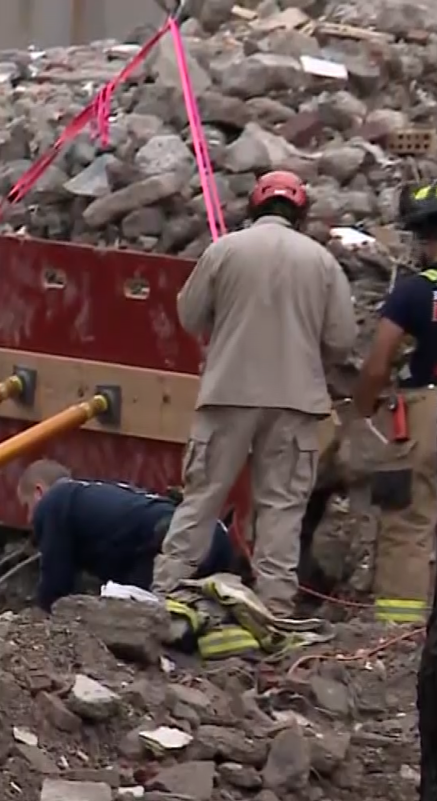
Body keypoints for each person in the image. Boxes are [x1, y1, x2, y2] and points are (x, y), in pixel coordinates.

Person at [154, 170, 357, 616]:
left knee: (204, 495)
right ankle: (276, 607)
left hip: (229, 391)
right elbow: (342, 340)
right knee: (282, 506)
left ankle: (168, 591)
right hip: (296, 399)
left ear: (254, 207)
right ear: (301, 213)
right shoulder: (322, 262)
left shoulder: (225, 250)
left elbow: (189, 316)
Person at [348, 179, 437, 625]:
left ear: (425, 236)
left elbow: (379, 363)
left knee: (408, 519)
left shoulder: (415, 291)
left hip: (425, 414)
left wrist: (360, 412)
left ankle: (401, 629)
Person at [21, 459, 236, 611]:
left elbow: (55, 584)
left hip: (171, 545)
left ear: (39, 492)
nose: (29, 519)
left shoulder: (55, 502)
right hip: (212, 536)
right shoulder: (99, 497)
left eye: (26, 506)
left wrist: (37, 622)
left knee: (142, 616)